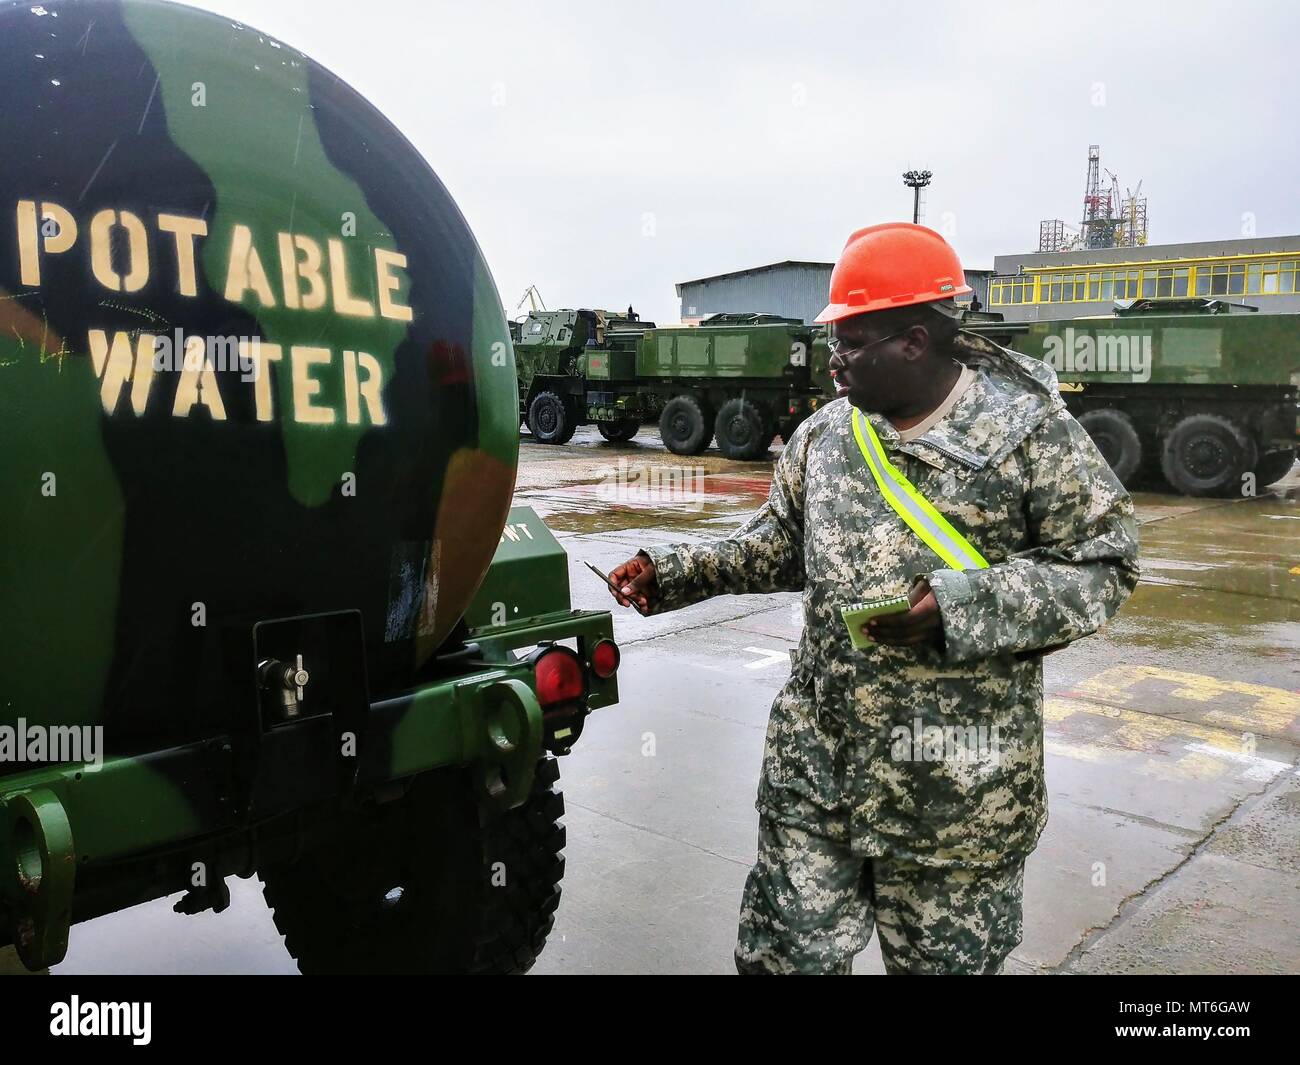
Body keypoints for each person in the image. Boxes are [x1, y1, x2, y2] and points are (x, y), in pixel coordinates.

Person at [606, 223, 1140, 975]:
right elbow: (777, 544)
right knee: (782, 959)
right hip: (818, 770)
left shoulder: (1029, 435)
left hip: (955, 795)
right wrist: (672, 571)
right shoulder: (827, 437)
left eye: (851, 343)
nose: (833, 360)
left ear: (915, 341)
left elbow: (1103, 565)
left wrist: (960, 608)